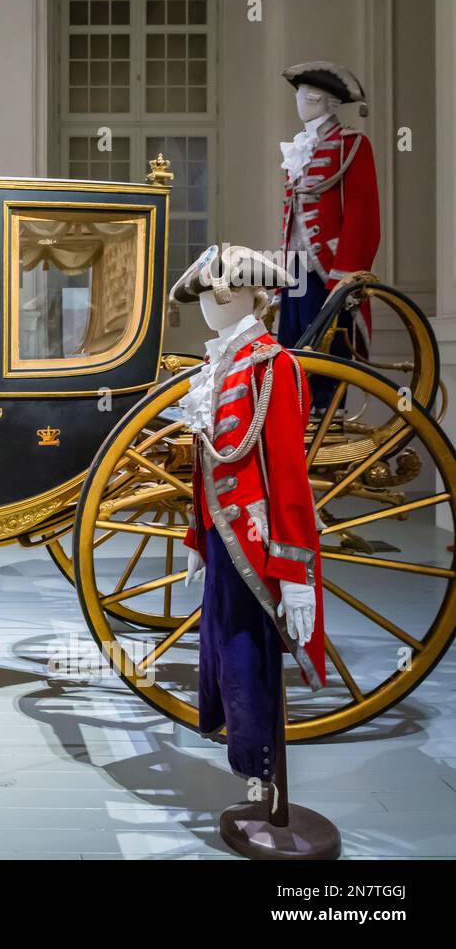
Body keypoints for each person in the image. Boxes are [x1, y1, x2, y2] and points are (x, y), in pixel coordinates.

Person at [173, 245, 326, 785]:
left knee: (249, 650)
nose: (206, 310)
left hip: (260, 540)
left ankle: (260, 766)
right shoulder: (224, 364)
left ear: (240, 298)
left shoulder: (273, 366)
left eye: (213, 298)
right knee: (222, 643)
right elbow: (209, 460)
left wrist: (295, 571)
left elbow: (286, 473)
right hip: (222, 534)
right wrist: (197, 535)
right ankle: (244, 758)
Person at [276, 61, 379, 405]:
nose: (299, 101)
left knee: (326, 345)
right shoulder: (299, 146)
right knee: (293, 344)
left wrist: (345, 275)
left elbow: (362, 214)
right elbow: (292, 214)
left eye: (304, 95)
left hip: (328, 267)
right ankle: (298, 412)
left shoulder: (351, 144)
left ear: (321, 100)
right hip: (296, 265)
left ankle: (324, 415)